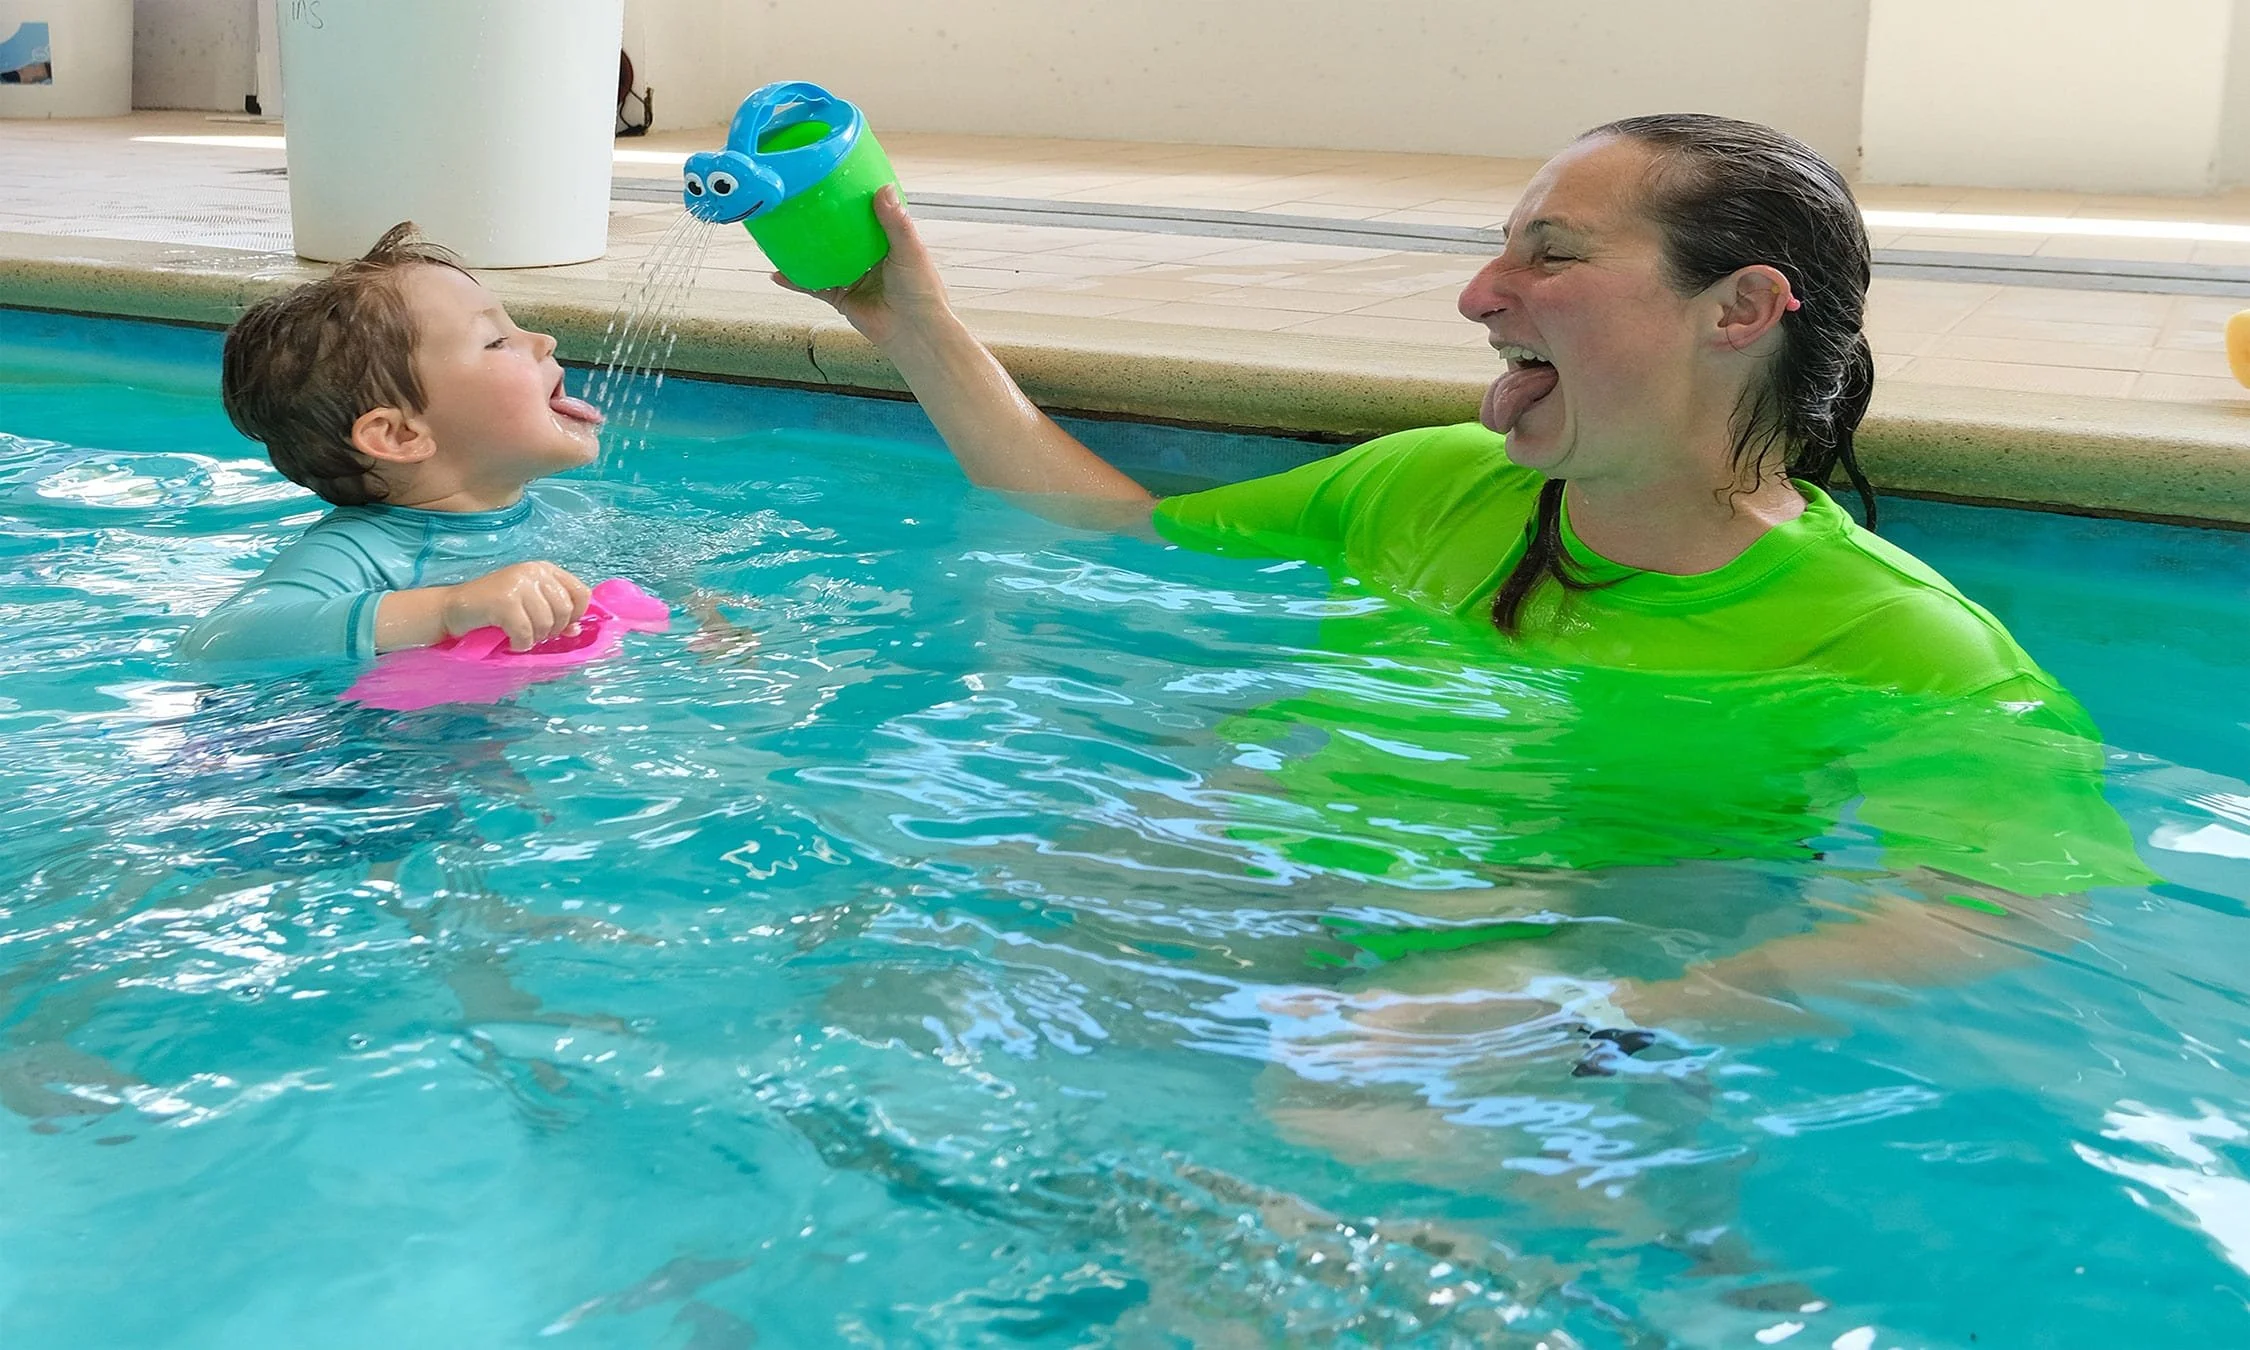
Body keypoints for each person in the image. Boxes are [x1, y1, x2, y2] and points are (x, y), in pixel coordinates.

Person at [787, 113, 2150, 1016]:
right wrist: (913, 323)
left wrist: (1601, 1013)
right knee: (881, 977)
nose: (1480, 293)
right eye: (1500, 249)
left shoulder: (1896, 641)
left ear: (1738, 308)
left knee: (1346, 1137)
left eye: (1549, 255)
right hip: (1257, 914)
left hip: (1516, 990)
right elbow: (1119, 532)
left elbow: (2009, 907)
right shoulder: (1430, 484)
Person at [179, 222, 608, 666]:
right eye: (496, 341)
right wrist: (446, 609)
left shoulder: (571, 510)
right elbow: (217, 641)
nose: (544, 341)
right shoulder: (361, 551)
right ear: (400, 435)